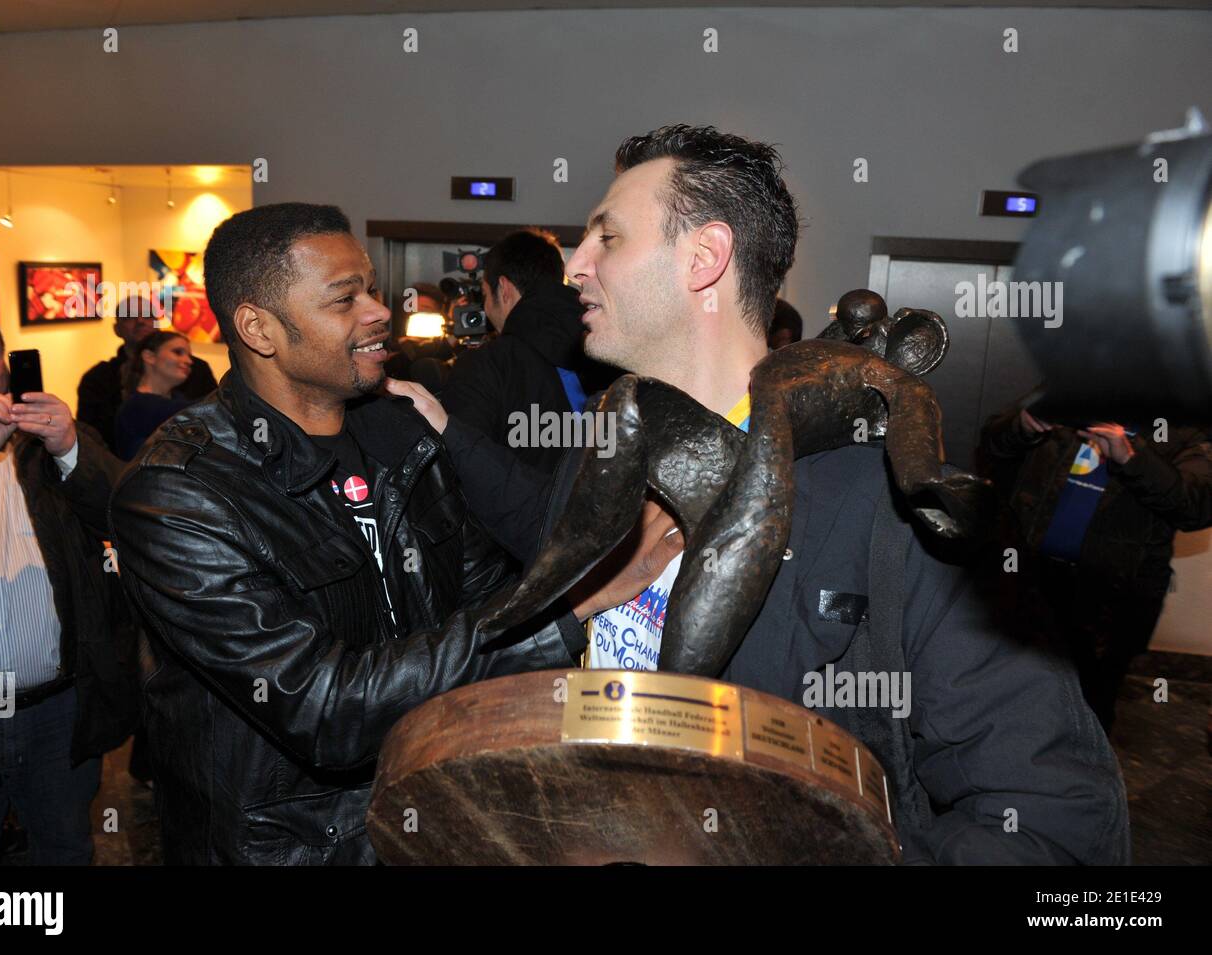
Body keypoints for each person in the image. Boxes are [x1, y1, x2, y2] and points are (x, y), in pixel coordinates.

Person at [387, 124, 1130, 865]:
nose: (576, 266)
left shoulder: (896, 512)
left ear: (704, 258)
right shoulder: (600, 447)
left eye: (606, 238)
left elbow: (1058, 829)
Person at [107, 203, 663, 865]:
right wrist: (565, 616)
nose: (378, 311)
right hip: (295, 850)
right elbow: (323, 705)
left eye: (370, 288)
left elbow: (485, 591)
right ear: (259, 328)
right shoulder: (178, 494)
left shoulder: (399, 431)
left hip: (429, 812)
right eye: (345, 299)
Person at [0, 304, 138, 864]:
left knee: (64, 848)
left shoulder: (50, 437)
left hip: (59, 710)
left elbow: (131, 517)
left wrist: (71, 449)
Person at [979, 403, 1212, 734]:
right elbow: (992, 444)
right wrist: (1021, 424)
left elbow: (1195, 505)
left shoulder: (1189, 425)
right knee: (1006, 699)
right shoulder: (1071, 391)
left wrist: (1130, 457)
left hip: (1110, 599)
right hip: (1029, 578)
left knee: (1086, 713)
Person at [442, 229, 616, 475]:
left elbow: (463, 471)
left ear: (503, 288)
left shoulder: (485, 366)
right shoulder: (613, 349)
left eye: (484, 295)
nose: (486, 310)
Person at [77, 293, 217, 455]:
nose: (141, 321)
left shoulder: (196, 369)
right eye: (130, 316)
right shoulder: (98, 379)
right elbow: (91, 440)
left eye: (148, 315)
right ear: (117, 329)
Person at [114, 330, 195, 460]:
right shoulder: (137, 406)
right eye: (178, 352)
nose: (188, 361)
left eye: (189, 356)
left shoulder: (178, 399)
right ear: (149, 356)